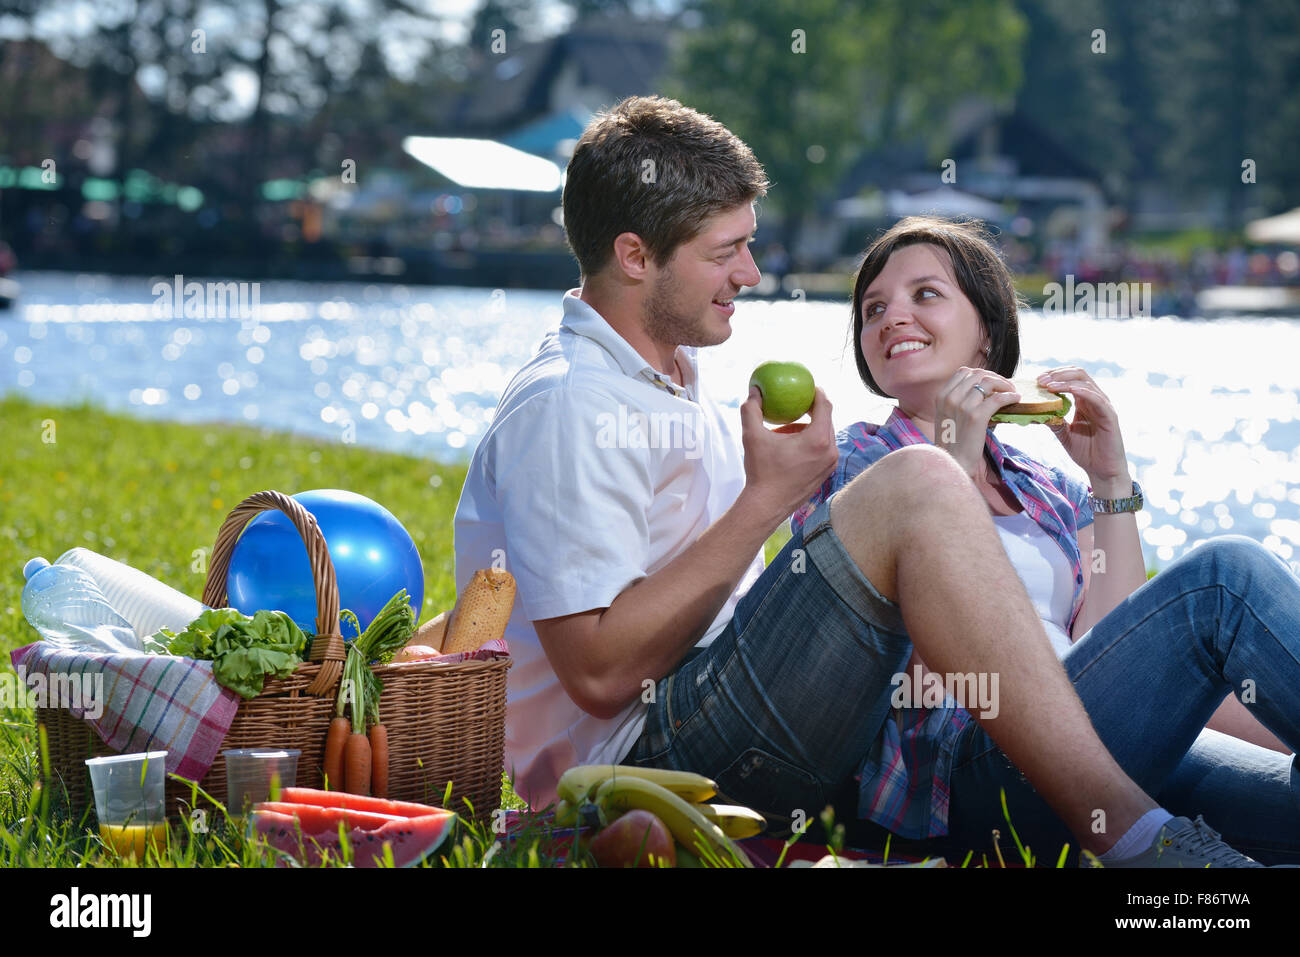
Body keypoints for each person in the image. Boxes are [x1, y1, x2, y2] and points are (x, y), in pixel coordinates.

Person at [453, 95, 1287, 866]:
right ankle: (1137, 842)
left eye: (746, 242)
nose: (750, 271)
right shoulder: (570, 403)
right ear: (634, 257)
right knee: (1211, 572)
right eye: (726, 251)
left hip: (736, 718)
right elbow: (600, 674)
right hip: (645, 760)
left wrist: (1108, 481)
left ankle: (1160, 845)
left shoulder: (668, 375)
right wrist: (769, 498)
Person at [788, 214, 1300, 863]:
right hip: (978, 763)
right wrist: (953, 461)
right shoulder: (853, 464)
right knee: (1228, 576)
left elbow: (1105, 644)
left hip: (1105, 743)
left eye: (925, 294)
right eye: (872, 308)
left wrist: (1109, 479)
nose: (891, 317)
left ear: (988, 332)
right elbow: (881, 660)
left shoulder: (1049, 486)